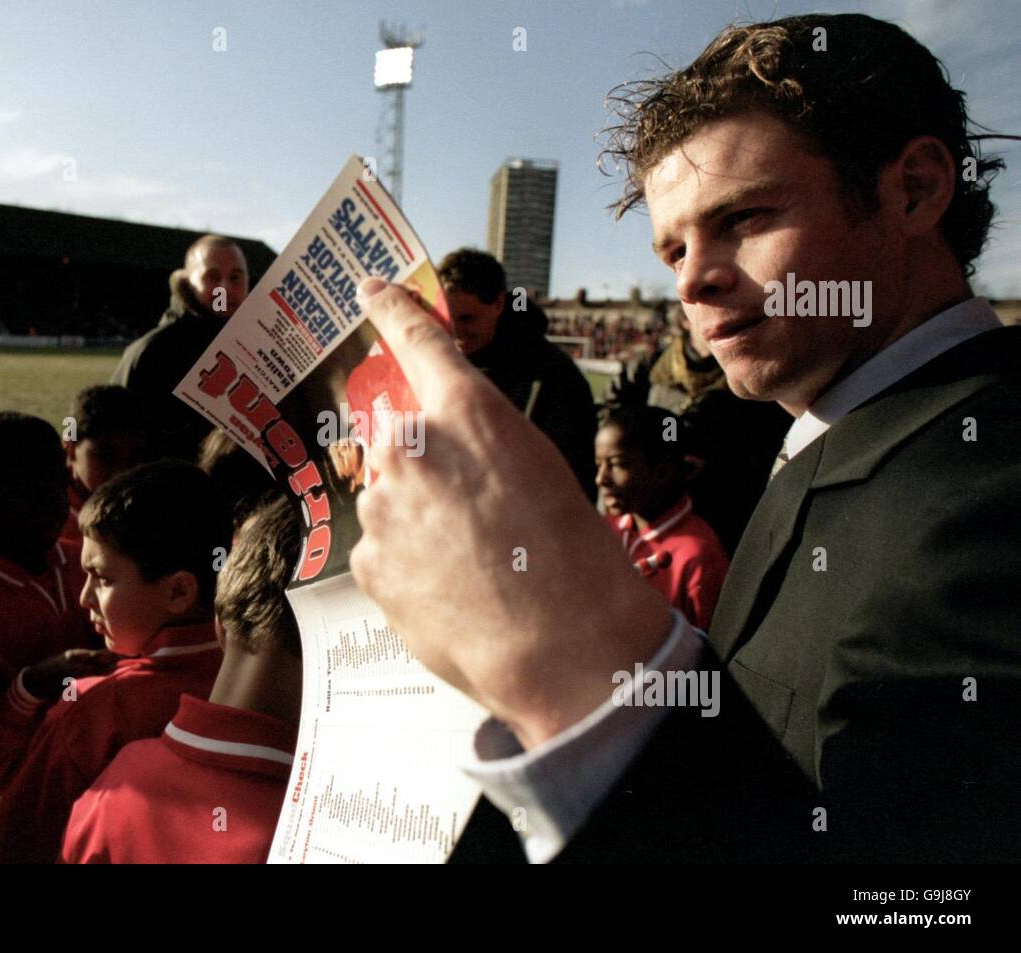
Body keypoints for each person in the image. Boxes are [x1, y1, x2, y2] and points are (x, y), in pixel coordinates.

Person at [350, 13, 1020, 863]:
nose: (694, 278)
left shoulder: (992, 493)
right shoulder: (831, 430)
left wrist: (582, 682)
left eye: (742, 217)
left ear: (915, 190)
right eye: (673, 248)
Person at [0, 461, 230, 864]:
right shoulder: (263, 677)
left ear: (178, 591)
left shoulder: (95, 712)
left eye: (102, 578)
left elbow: (20, 846)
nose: (84, 597)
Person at [61, 496, 302, 864]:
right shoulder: (318, 825)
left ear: (219, 626)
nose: (84, 598)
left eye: (104, 578)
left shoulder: (114, 787)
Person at [0, 412, 116, 862]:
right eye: (26, 490)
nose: (54, 503)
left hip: (93, 778)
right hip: (5, 800)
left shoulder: (86, 562)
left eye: (57, 483)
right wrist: (31, 686)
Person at [615, 309, 790, 553]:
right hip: (655, 516)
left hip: (720, 521)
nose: (718, 321)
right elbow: (613, 414)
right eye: (706, 312)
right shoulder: (652, 366)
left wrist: (713, 462)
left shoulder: (753, 377)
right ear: (684, 322)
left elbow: (767, 454)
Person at [438, 248, 599, 497]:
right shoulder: (443, 362)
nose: (456, 332)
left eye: (467, 319)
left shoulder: (555, 379)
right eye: (449, 318)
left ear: (498, 304)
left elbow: (570, 484)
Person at [112, 235, 250, 462]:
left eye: (235, 277)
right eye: (212, 277)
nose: (225, 289)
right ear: (188, 281)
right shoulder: (152, 352)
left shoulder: (255, 345)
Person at [595, 404, 728, 630]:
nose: (601, 479)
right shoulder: (610, 527)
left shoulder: (698, 556)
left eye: (617, 464)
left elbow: (707, 651)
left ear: (663, 471)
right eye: (599, 465)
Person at [60, 385, 148, 544]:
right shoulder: (48, 524)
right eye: (105, 457)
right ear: (70, 447)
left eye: (134, 459)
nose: (121, 473)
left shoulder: (143, 511)